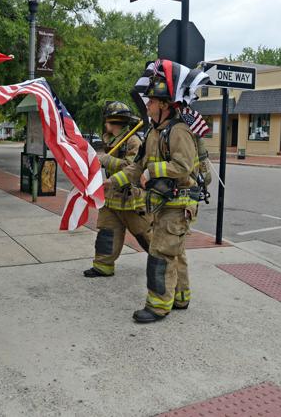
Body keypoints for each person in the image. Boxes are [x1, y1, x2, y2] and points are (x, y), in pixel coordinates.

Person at [109, 70, 202, 323]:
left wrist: (154, 171)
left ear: (164, 105)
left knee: (161, 252)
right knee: (176, 251)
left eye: (151, 101)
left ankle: (158, 306)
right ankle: (180, 297)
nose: (147, 105)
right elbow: (136, 166)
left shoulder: (178, 131)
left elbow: (184, 166)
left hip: (178, 202)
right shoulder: (153, 132)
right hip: (163, 203)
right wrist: (110, 183)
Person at [83, 101, 151, 277]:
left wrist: (107, 160)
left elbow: (133, 168)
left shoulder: (133, 140)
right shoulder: (111, 139)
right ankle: (103, 266)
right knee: (107, 232)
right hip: (111, 197)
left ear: (112, 121)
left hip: (131, 200)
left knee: (147, 236)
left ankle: (164, 262)